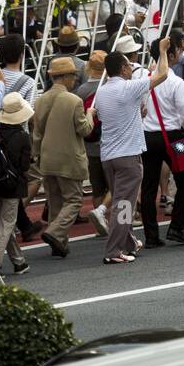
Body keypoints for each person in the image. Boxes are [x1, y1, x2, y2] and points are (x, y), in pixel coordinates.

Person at [94, 41, 173, 264]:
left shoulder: (102, 92)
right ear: (123, 69)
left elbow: (115, 114)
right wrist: (163, 51)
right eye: (129, 64)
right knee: (125, 206)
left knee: (122, 202)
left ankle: (128, 242)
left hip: (108, 156)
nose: (132, 67)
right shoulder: (129, 87)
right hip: (128, 156)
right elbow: (163, 74)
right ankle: (114, 250)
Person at [33, 57, 96, 256]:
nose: (75, 80)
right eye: (73, 76)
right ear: (67, 77)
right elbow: (85, 130)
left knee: (55, 202)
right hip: (69, 158)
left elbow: (37, 133)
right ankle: (54, 232)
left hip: (47, 158)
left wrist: (37, 156)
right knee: (74, 200)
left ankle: (59, 243)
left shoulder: (40, 101)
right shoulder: (74, 101)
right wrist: (90, 115)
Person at [141, 31, 184, 247]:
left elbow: (140, 108)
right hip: (174, 136)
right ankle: (176, 228)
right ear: (170, 55)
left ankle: (151, 236)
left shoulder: (144, 79)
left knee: (149, 186)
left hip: (148, 135)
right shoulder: (175, 82)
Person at [0, 94, 35, 279]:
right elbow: (24, 166)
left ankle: (19, 261)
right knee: (7, 223)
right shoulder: (23, 137)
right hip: (11, 185)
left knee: (0, 223)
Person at [74, 51, 111, 236]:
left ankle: (100, 223)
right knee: (117, 184)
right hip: (110, 142)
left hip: (90, 144)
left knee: (97, 186)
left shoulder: (81, 90)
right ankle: (121, 219)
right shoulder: (108, 86)